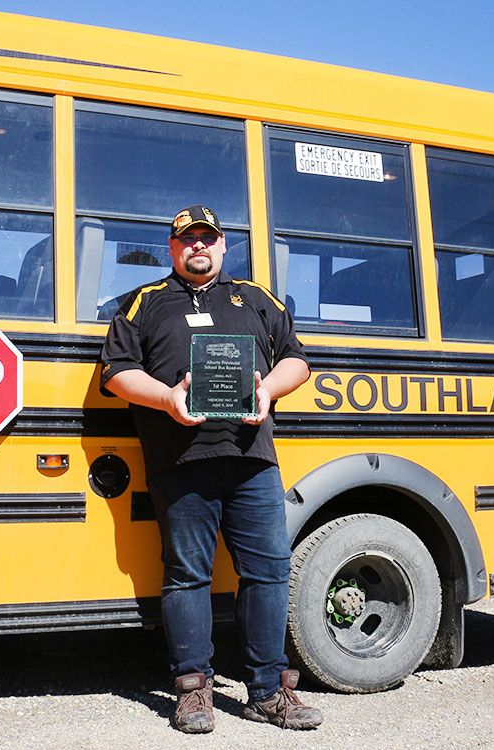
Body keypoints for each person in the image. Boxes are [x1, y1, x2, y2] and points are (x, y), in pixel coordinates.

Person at [99, 205, 324, 733]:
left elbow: (297, 360)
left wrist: (267, 390)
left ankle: (268, 691)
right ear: (172, 248)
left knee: (269, 571)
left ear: (223, 246)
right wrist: (167, 400)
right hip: (180, 462)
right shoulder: (143, 302)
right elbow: (115, 372)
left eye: (207, 237)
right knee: (186, 576)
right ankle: (193, 690)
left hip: (252, 462)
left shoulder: (257, 298)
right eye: (187, 239)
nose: (198, 245)